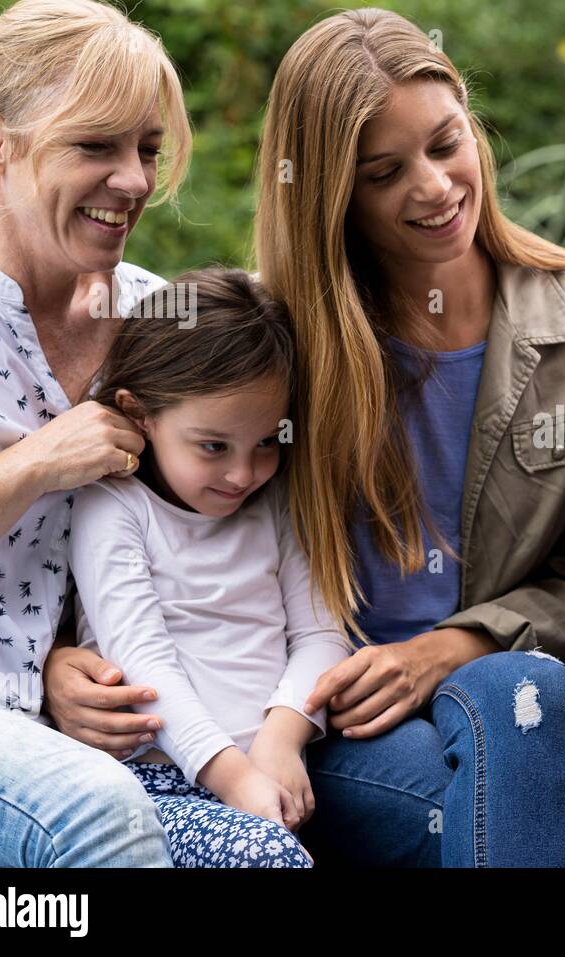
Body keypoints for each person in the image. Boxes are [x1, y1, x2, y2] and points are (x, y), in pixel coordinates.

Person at [49, 8, 565, 867]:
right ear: (330, 193)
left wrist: (453, 644)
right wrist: (66, 660)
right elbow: (143, 504)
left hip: (510, 687)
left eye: (446, 143)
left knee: (526, 695)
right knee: (506, 796)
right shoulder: (270, 346)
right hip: (320, 723)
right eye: (384, 171)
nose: (434, 187)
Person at [0, 0, 191, 867]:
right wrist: (37, 463)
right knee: (96, 815)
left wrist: (70, 659)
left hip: (47, 733)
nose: (134, 181)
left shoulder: (161, 317)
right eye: (96, 147)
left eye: (147, 150)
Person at [69, 269, 350, 867]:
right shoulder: (114, 507)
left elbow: (323, 636)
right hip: (157, 783)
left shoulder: (272, 503)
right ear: (138, 413)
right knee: (266, 857)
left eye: (267, 443)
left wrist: (282, 738)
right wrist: (236, 780)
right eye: (214, 447)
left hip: (278, 772)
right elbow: (145, 667)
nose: (243, 474)